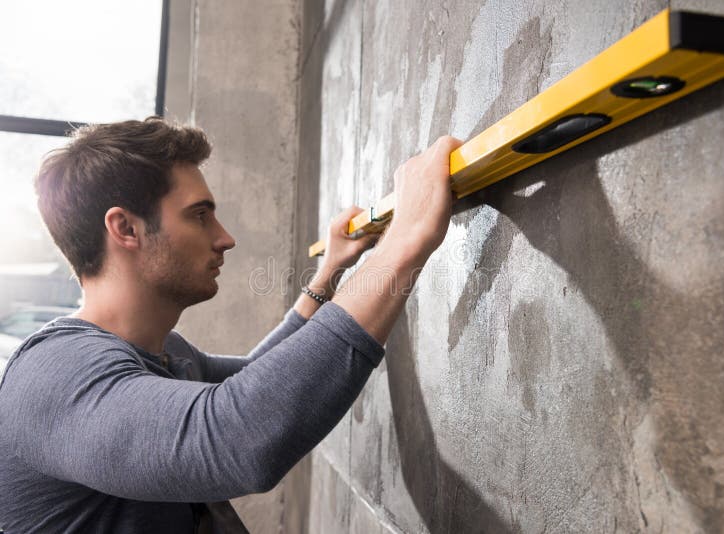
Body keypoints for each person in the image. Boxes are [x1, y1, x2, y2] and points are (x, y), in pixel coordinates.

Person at [0, 117, 462, 533]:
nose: (225, 238)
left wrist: (329, 273)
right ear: (125, 229)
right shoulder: (51, 377)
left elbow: (256, 376)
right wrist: (405, 239)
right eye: (200, 215)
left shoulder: (163, 352)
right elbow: (237, 436)